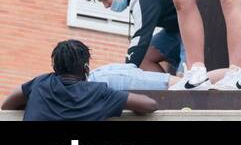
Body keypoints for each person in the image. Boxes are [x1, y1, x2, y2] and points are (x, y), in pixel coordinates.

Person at [3, 40, 157, 120]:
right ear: (86, 68)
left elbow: (7, 104)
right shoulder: (99, 93)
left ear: (55, 67)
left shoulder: (39, 83)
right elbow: (149, 104)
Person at [86, 0, 182, 73]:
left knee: (189, 83)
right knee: (143, 59)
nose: (106, 5)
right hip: (175, 30)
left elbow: (141, 37)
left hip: (190, 27)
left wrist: (126, 72)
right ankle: (169, 87)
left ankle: (178, 85)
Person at [89, 59, 241, 93]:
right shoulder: (97, 76)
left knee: (192, 86)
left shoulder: (98, 80)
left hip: (111, 78)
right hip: (109, 75)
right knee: (197, 84)